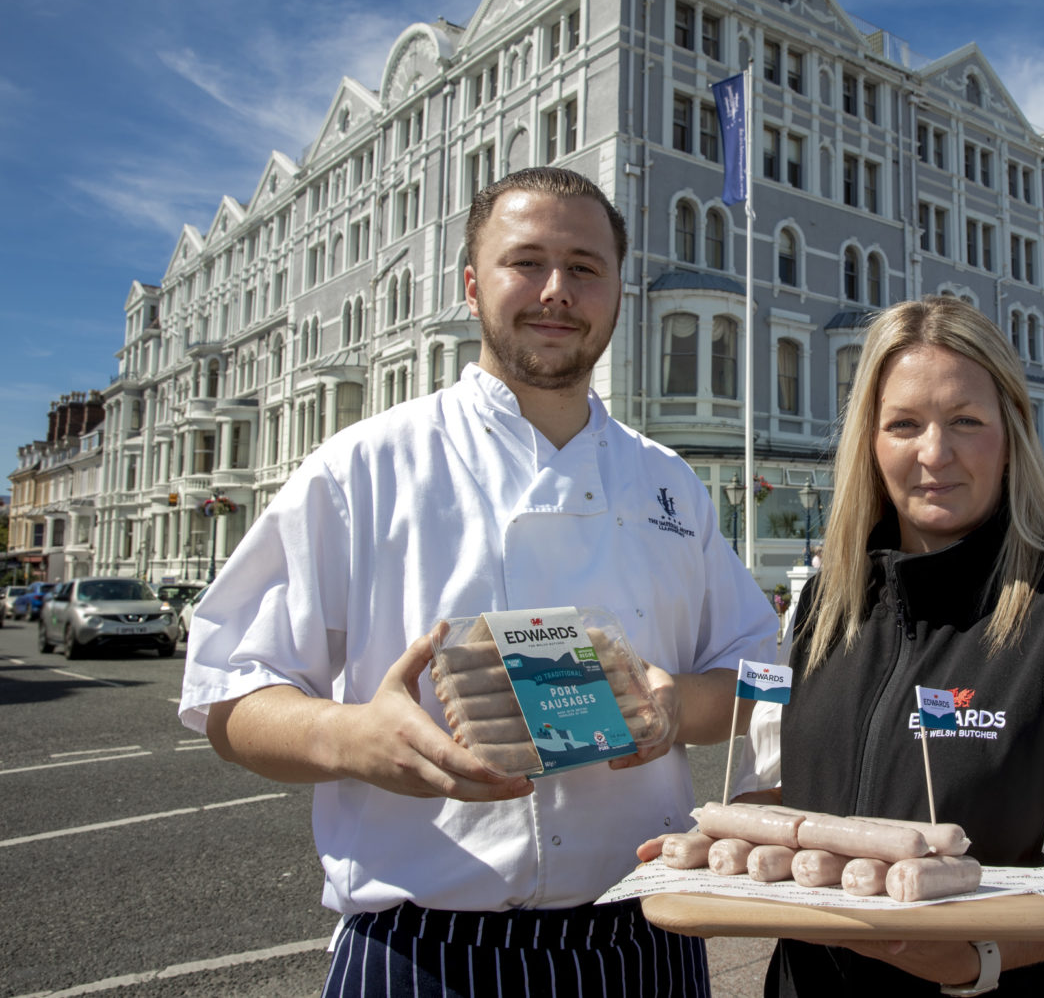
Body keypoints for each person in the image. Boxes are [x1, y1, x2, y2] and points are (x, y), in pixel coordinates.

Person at [180, 167, 778, 997]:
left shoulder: (669, 482)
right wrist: (353, 738)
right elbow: (229, 695)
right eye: (525, 262)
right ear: (471, 285)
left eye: (585, 267)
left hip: (645, 938)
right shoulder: (363, 467)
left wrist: (679, 707)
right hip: (426, 951)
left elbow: (761, 676)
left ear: (617, 291)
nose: (557, 289)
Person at [685, 298, 1044, 995]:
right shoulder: (814, 608)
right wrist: (722, 845)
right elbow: (769, 790)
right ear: (870, 442)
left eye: (965, 421)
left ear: (1010, 436)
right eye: (903, 424)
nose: (934, 452)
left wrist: (975, 959)